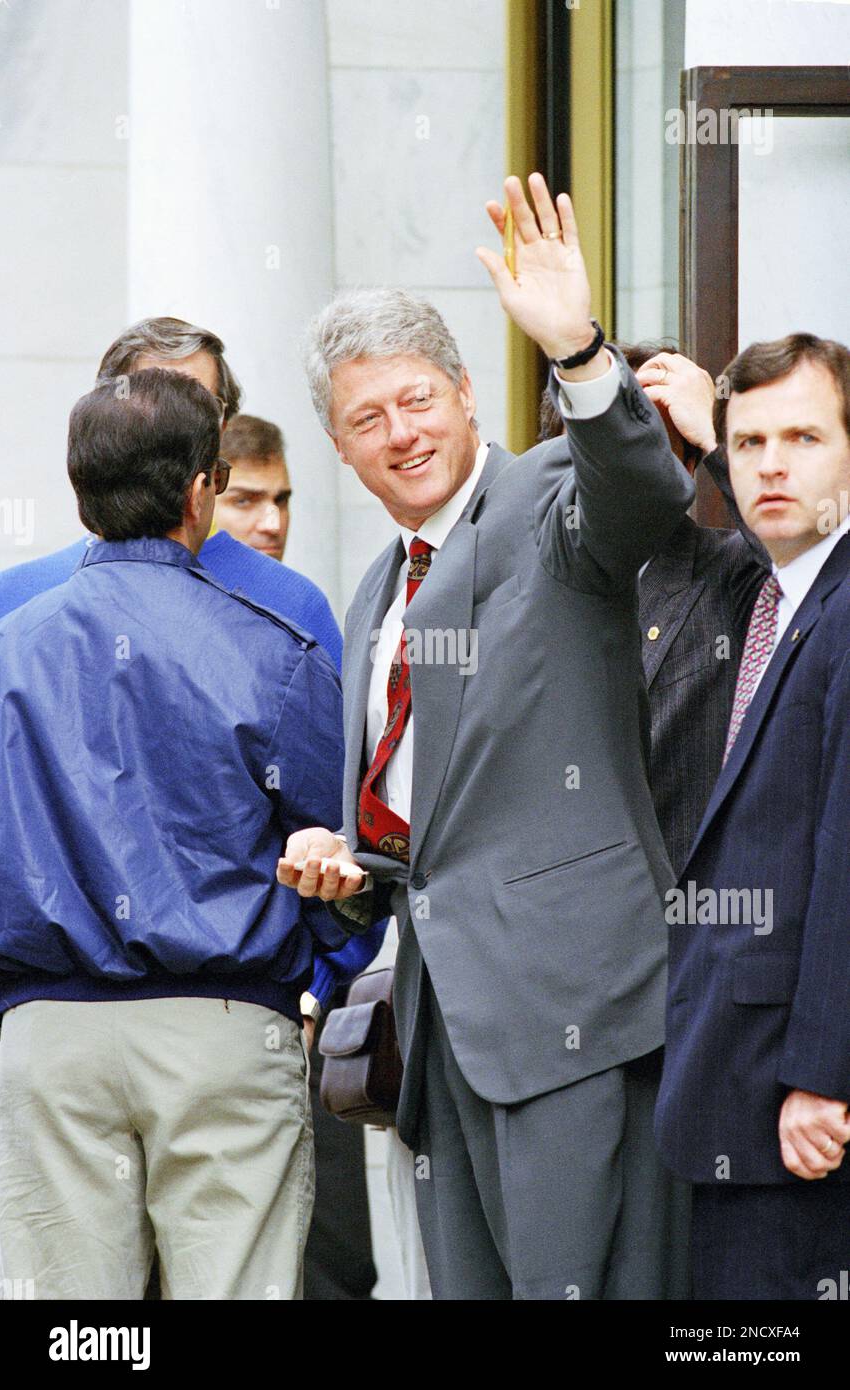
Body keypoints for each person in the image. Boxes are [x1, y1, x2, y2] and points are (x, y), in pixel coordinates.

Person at [279, 174, 695, 1300]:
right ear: (337, 445)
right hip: (441, 1024)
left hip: (573, 1007)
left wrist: (579, 358)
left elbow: (641, 494)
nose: (399, 433)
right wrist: (344, 862)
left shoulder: (549, 499)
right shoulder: (375, 592)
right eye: (366, 419)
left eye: (416, 400)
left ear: (467, 395)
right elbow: (429, 820)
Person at [0, 369, 349, 1300]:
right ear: (201, 492)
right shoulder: (273, 647)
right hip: (225, 1027)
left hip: (47, 1035)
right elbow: (338, 857)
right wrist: (323, 964)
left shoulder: (10, 647)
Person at [654, 333, 850, 1300]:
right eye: (748, 443)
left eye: (805, 437)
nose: (772, 464)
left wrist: (822, 1074)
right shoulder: (781, 596)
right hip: (732, 1086)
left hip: (799, 1104)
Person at [541, 344, 770, 875]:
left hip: (679, 919)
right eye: (603, 458)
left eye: (648, 456)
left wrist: (716, 436)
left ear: (688, 469)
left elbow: (809, 566)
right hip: (552, 923)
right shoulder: (520, 580)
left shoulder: (730, 569)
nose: (624, 479)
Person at [0, 317, 341, 671]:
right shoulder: (14, 597)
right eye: (152, 399)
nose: (175, 422)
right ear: (106, 415)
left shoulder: (293, 604)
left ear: (224, 425)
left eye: (199, 404)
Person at [213, 413, 292, 561]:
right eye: (244, 501)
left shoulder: (297, 584)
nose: (273, 526)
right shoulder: (167, 582)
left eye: (281, 500)